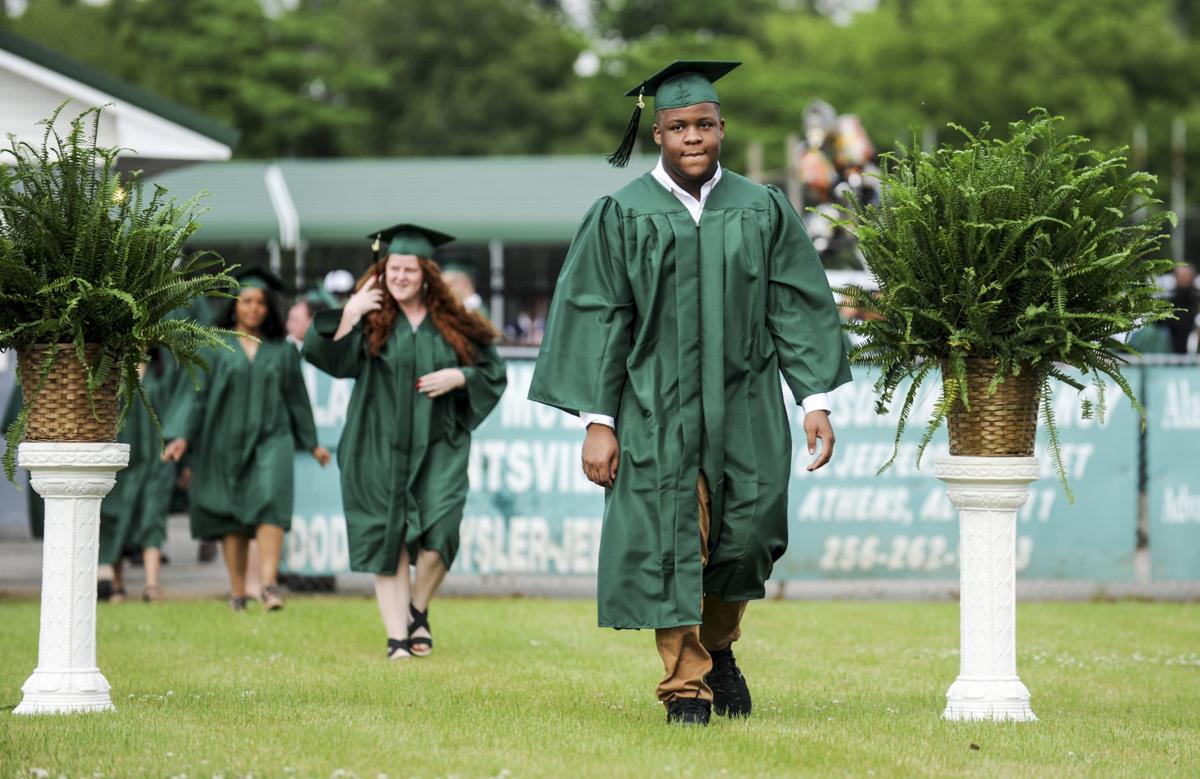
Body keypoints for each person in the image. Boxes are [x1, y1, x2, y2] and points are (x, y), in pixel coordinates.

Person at [528, 61, 851, 726]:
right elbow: (597, 315)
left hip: (748, 406)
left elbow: (796, 306)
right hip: (655, 410)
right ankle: (686, 687)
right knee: (671, 543)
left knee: (749, 538)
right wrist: (598, 419)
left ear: (722, 129)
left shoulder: (761, 208)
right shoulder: (621, 215)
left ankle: (720, 644)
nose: (694, 136)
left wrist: (814, 399)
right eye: (679, 126)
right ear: (658, 134)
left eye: (705, 124)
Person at [303, 224, 506, 660]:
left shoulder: (455, 324)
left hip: (439, 445)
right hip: (375, 446)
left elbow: (493, 372)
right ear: (383, 270)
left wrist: (461, 376)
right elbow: (327, 357)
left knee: (442, 530)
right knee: (387, 537)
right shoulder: (372, 319)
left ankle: (417, 608)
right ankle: (398, 640)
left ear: (426, 274)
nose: (400, 277)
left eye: (409, 269)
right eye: (393, 268)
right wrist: (351, 312)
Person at [162, 267, 331, 611]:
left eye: (261, 303)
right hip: (223, 439)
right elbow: (195, 394)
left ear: (270, 309)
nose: (254, 308)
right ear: (235, 305)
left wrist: (312, 443)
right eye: (247, 301)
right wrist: (181, 436)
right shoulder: (213, 345)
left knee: (271, 502)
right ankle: (238, 591)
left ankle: (268, 585)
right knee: (231, 513)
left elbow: (297, 399)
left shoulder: (282, 351)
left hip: (272, 437)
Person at [98, 348, 179, 603]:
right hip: (119, 456)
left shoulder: (164, 369)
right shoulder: (109, 368)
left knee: (152, 515)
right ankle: (118, 583)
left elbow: (176, 409)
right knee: (116, 515)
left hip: (156, 457)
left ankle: (151, 585)